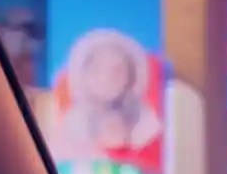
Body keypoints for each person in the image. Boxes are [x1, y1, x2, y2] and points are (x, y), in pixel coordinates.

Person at [52, 30, 160, 161]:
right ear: (83, 75)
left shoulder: (145, 120)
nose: (106, 78)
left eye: (117, 71)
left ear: (131, 76)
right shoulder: (74, 121)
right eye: (97, 69)